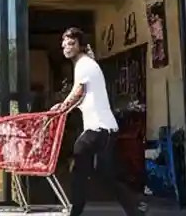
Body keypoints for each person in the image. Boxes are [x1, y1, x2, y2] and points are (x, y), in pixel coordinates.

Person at [51, 27, 148, 216]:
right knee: (106, 175)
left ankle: (76, 210)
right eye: (64, 44)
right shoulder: (86, 64)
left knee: (79, 162)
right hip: (107, 129)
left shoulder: (84, 64)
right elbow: (81, 96)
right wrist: (65, 108)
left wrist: (62, 108)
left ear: (80, 46)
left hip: (99, 128)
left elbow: (78, 92)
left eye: (71, 43)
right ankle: (135, 209)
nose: (67, 47)